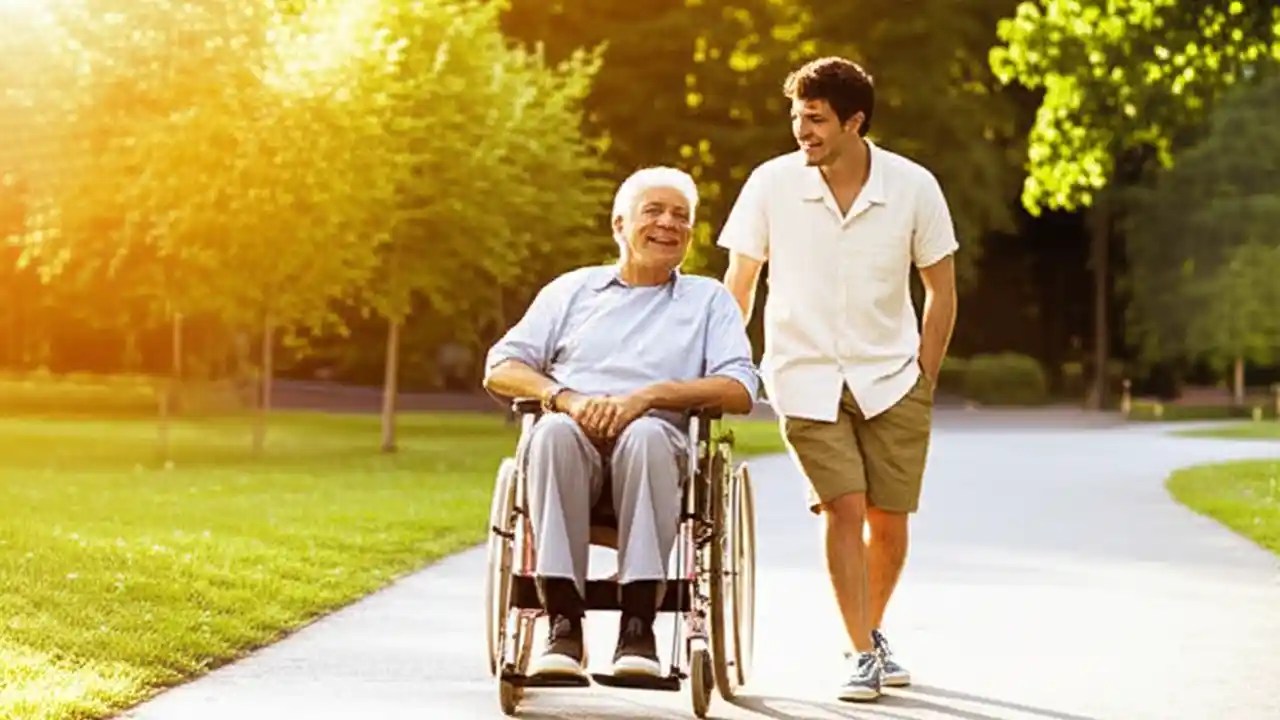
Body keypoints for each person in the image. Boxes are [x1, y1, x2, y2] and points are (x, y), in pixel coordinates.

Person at [717, 56, 959, 702]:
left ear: (855, 122)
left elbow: (941, 290)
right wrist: (726, 360)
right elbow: (740, 282)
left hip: (893, 378)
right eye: (797, 117)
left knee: (890, 520)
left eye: (817, 119)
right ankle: (860, 652)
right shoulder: (771, 185)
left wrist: (925, 377)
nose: (803, 130)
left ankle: (870, 633)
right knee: (844, 507)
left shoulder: (913, 187)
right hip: (803, 375)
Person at [483, 166, 759, 681]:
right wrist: (564, 398)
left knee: (648, 434)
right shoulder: (572, 290)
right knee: (553, 433)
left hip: (657, 449)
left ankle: (638, 630)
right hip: (572, 441)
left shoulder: (708, 299)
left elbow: (741, 387)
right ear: (619, 225)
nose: (668, 223)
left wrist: (650, 397)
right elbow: (501, 366)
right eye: (653, 211)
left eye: (680, 216)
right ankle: (563, 627)